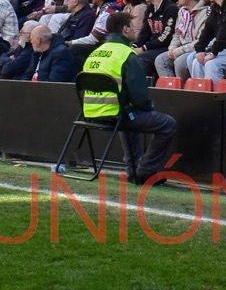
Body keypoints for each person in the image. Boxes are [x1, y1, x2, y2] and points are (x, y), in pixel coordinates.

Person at [73, 17, 178, 184]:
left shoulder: (95, 52)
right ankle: (145, 170)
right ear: (125, 29)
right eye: (133, 26)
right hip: (115, 114)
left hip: (89, 112)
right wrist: (148, 106)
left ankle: (133, 171)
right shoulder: (126, 54)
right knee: (167, 124)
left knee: (128, 113)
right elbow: (140, 96)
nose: (136, 30)